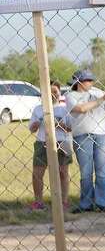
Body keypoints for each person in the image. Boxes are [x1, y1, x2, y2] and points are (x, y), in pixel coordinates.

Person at [66, 69, 105, 213]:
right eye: (87, 80)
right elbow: (82, 108)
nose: (90, 83)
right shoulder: (70, 96)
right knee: (86, 172)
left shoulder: (97, 92)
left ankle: (103, 203)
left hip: (103, 135)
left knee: (103, 171)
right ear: (78, 81)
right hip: (82, 136)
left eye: (91, 80)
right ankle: (86, 203)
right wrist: (102, 99)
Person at [29, 81, 72, 213]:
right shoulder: (38, 109)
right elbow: (31, 128)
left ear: (60, 93)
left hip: (61, 142)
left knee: (63, 173)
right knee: (37, 173)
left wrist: (61, 125)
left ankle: (63, 201)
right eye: (50, 92)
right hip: (42, 142)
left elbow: (70, 128)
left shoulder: (64, 109)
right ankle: (38, 202)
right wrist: (36, 124)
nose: (53, 95)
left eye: (55, 92)